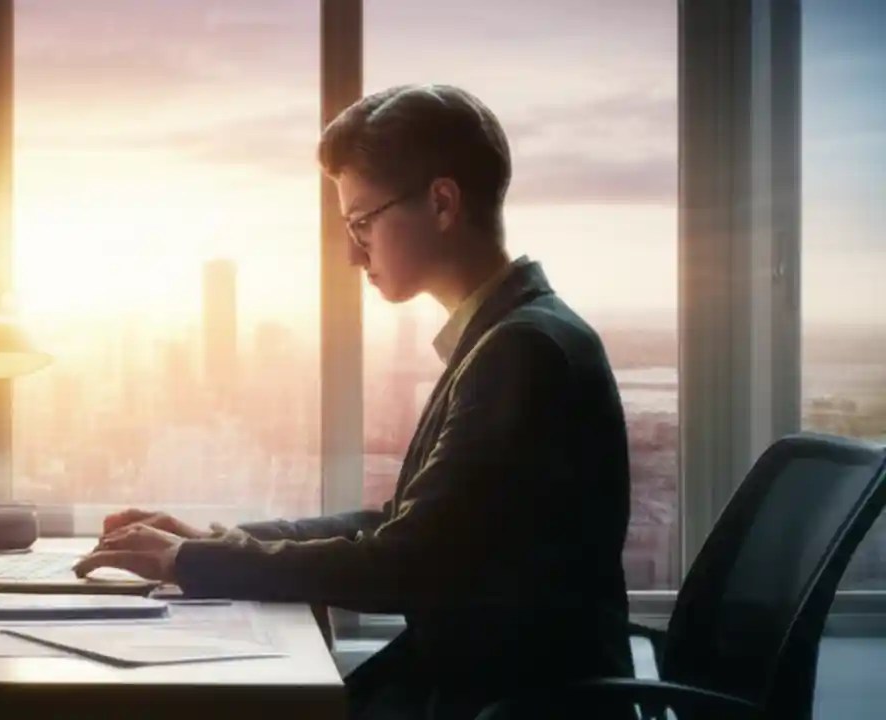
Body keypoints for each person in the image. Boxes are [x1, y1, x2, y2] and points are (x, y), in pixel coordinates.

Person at [73, 83, 636, 719]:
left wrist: (192, 560)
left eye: (362, 222)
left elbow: (403, 562)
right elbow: (400, 525)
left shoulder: (522, 352)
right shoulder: (514, 335)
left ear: (442, 203)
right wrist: (215, 542)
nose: (350, 251)